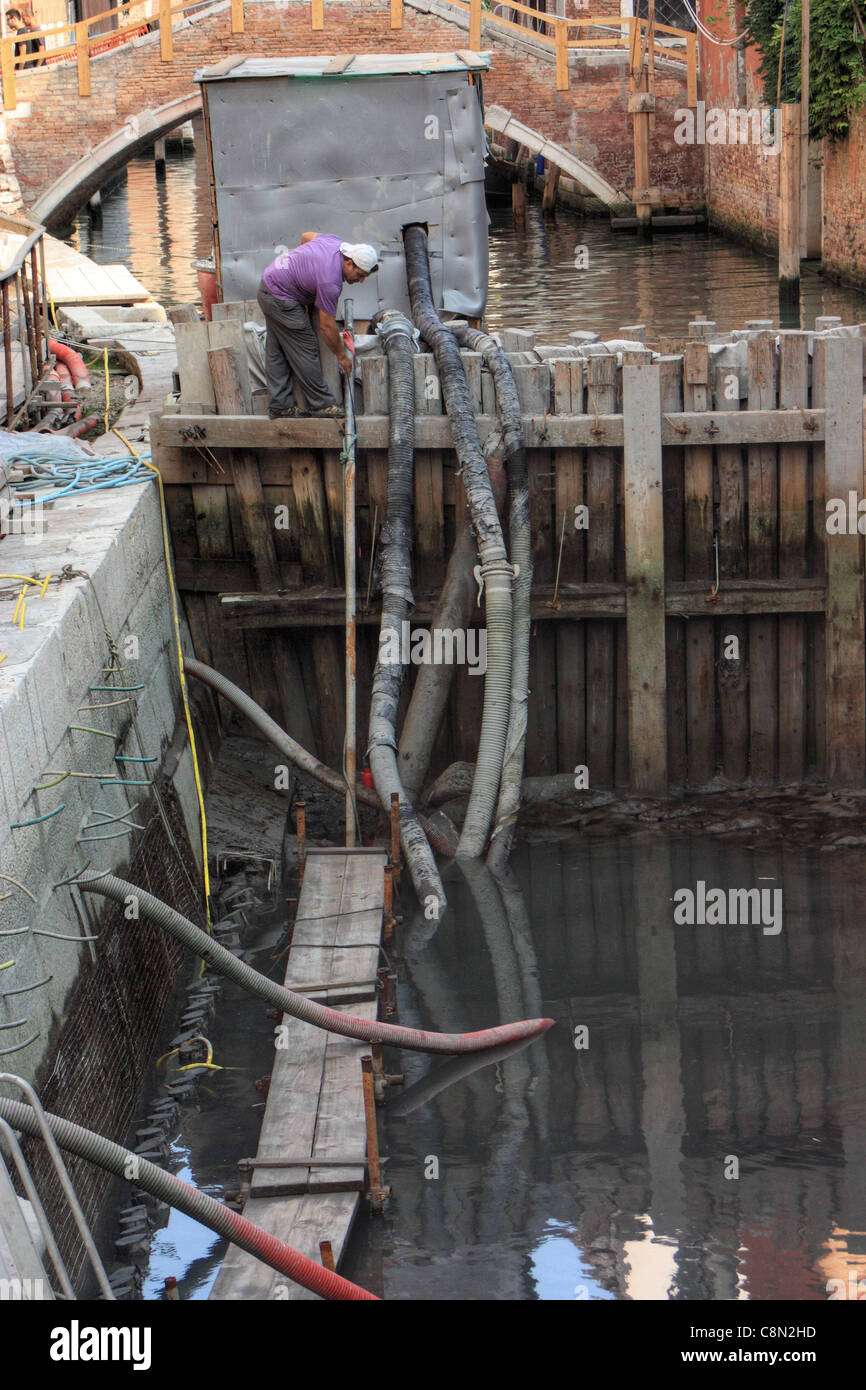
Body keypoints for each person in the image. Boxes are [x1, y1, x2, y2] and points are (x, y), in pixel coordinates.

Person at [257, 233, 378, 419]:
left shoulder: (334, 243)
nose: (360, 281)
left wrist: (304, 266)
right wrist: (341, 357)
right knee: (305, 346)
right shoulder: (331, 282)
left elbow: (306, 236)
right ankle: (321, 405)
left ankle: (280, 405)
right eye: (359, 275)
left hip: (270, 284)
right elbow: (327, 327)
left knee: (277, 348)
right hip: (281, 296)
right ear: (349, 263)